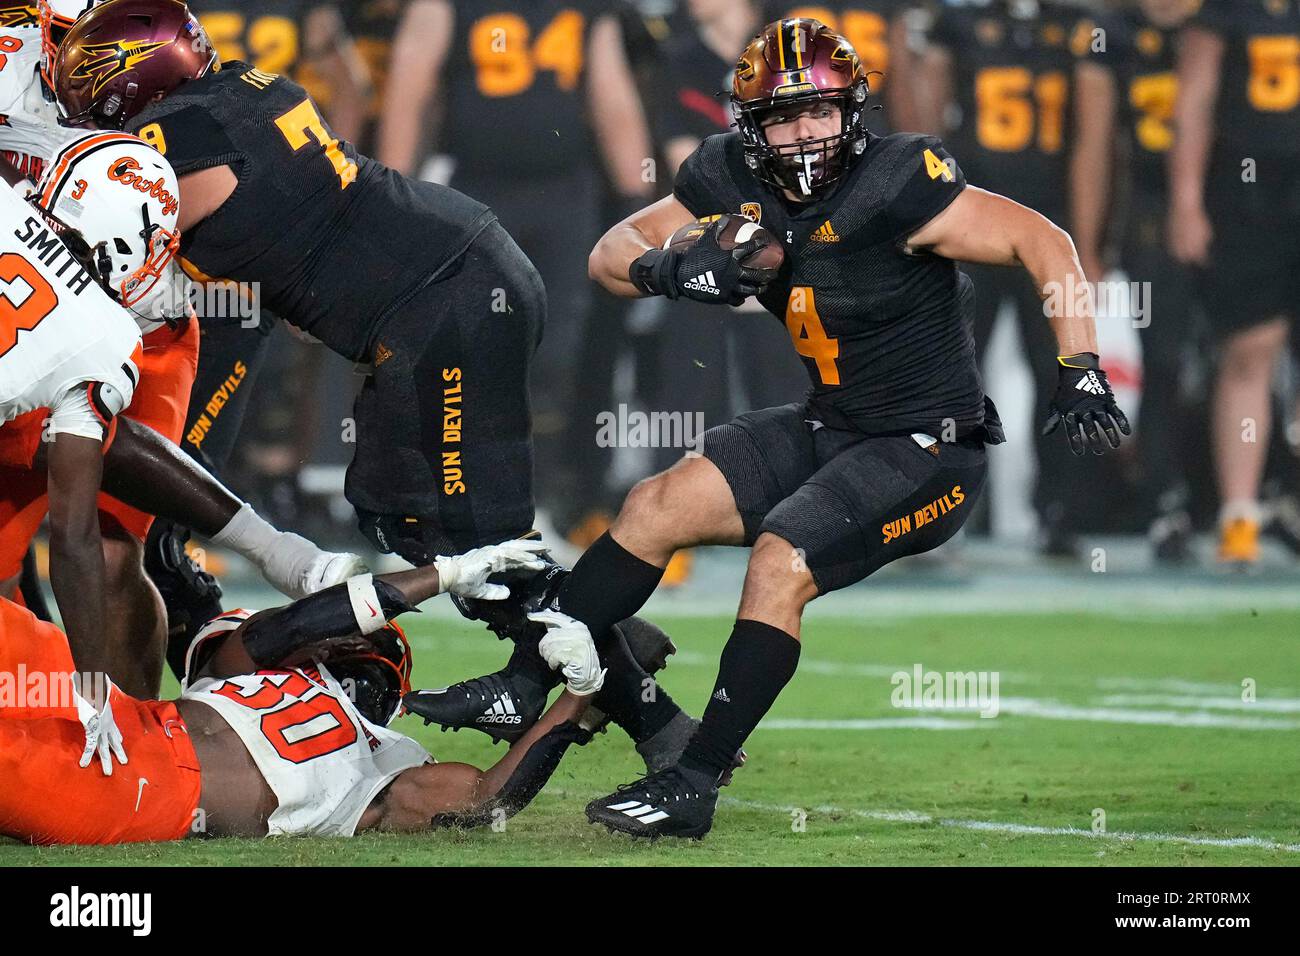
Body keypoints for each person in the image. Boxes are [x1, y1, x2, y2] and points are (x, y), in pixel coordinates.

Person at [568, 17, 1127, 838]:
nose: (806, 133)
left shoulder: (900, 180)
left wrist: (1081, 365)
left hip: (927, 448)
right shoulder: (726, 178)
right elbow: (608, 253)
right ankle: (530, 678)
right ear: (751, 128)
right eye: (786, 117)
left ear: (853, 113)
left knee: (779, 563)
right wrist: (670, 266)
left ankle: (693, 782)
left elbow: (1045, 241)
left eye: (822, 113)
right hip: (829, 423)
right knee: (654, 506)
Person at [51, 0, 546, 589]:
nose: (76, 102)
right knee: (400, 517)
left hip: (445, 298)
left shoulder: (175, 138)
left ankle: (574, 652)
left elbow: (106, 258)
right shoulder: (241, 85)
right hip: (462, 265)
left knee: (460, 536)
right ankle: (570, 647)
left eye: (90, 81)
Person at [0, 540, 607, 843]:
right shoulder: (269, 661)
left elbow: (483, 802)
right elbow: (294, 626)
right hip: (113, 712)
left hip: (147, 785)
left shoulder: (388, 760)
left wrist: (579, 693)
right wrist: (443, 573)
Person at [918, 0, 1115, 555]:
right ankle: (937, 507)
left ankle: (1057, 509)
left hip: (1046, 232)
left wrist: (1085, 244)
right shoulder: (957, 24)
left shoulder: (1078, 29)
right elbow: (927, 130)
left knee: (1061, 367)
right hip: (972, 228)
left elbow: (1092, 144)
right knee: (950, 372)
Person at [1168, 0, 1300, 566]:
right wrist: (1186, 200)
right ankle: (1240, 516)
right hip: (1250, 196)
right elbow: (1193, 106)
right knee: (1251, 350)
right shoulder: (1224, 13)